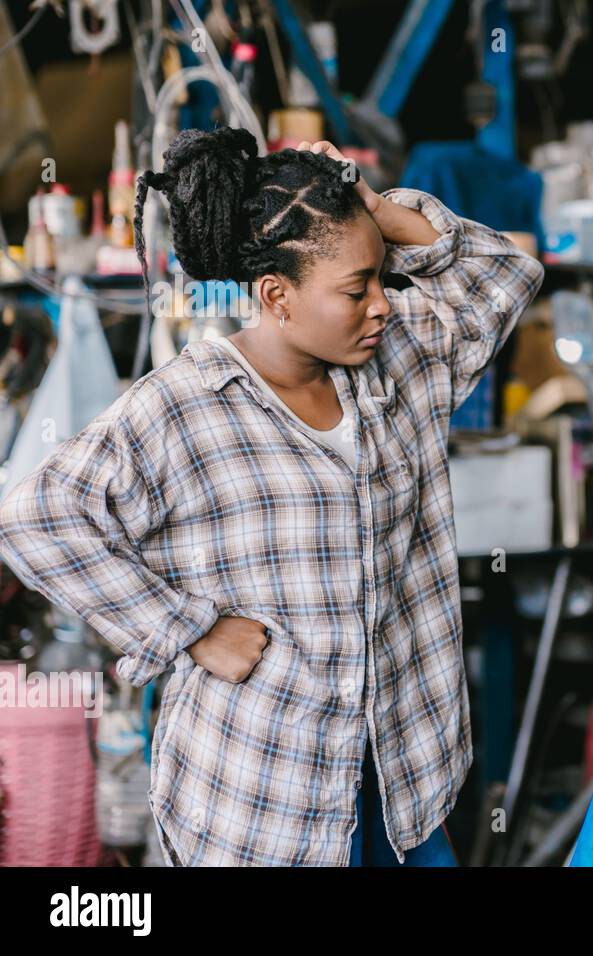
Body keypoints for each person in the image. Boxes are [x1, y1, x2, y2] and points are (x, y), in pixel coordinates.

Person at [0, 127, 543, 865]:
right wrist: (188, 629)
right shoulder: (188, 407)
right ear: (275, 295)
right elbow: (37, 518)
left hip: (402, 786)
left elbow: (507, 269)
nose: (382, 304)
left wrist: (376, 210)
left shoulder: (402, 362)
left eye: (382, 278)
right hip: (262, 804)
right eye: (356, 289)